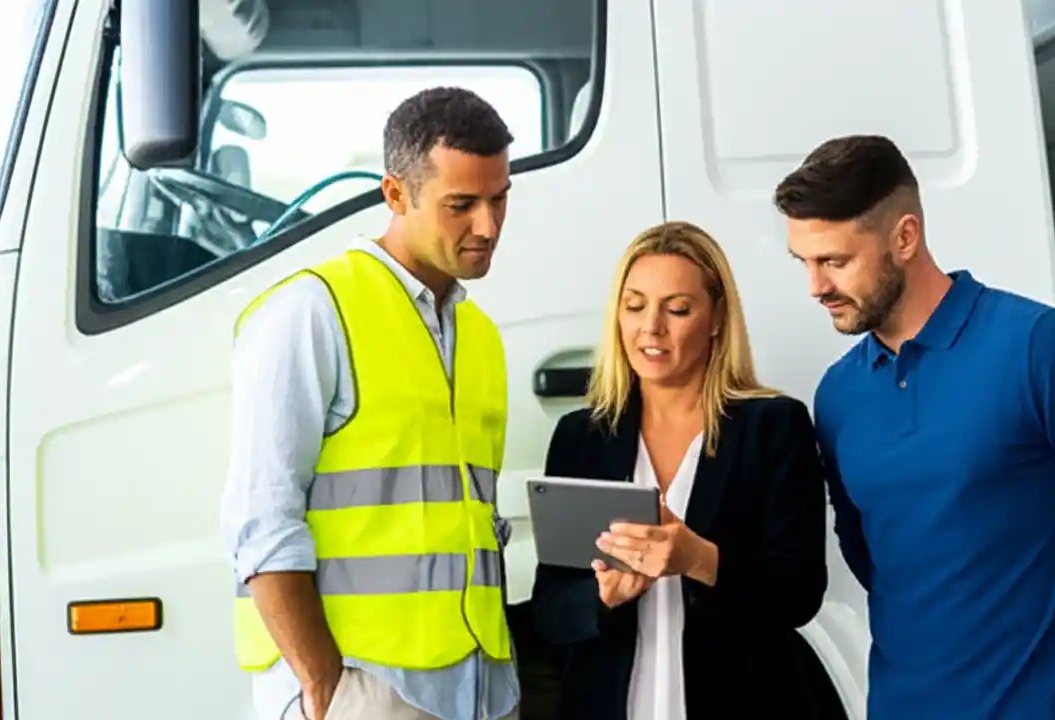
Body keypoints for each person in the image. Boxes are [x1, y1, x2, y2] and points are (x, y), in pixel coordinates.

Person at [774, 134, 1055, 719]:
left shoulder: (1040, 348)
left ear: (905, 237)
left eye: (835, 261)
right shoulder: (839, 395)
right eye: (803, 262)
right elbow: (873, 555)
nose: (816, 287)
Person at [220, 86, 520, 720]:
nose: (488, 226)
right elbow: (261, 522)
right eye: (461, 205)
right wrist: (324, 684)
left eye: (499, 199)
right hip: (364, 689)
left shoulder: (480, 337)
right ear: (395, 194)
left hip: (477, 687)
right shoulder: (312, 312)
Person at [529, 221, 830, 720]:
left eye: (678, 309)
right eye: (635, 306)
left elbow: (799, 595)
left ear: (716, 318)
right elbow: (550, 612)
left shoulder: (773, 427)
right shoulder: (581, 437)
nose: (651, 327)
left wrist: (700, 559)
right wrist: (601, 597)